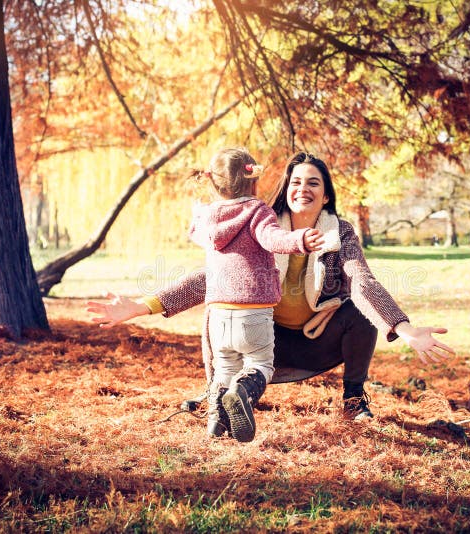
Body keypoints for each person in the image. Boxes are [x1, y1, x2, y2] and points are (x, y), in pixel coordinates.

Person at [87, 151, 454, 429]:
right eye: (296, 182)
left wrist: (403, 327)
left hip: (314, 342)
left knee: (358, 313)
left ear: (326, 196)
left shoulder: (339, 232)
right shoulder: (260, 224)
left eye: (313, 183)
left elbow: (361, 280)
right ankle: (219, 393)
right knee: (220, 306)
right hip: (264, 338)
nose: (303, 189)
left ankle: (353, 399)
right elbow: (209, 279)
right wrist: (142, 306)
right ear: (286, 189)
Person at [91, 148, 322, 443]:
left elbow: (198, 258)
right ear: (253, 182)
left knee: (224, 370)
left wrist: (140, 305)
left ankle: (217, 424)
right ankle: (243, 391)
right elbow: (272, 239)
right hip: (253, 311)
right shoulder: (257, 211)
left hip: (218, 317)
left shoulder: (207, 218)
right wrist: (299, 240)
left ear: (213, 183)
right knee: (260, 365)